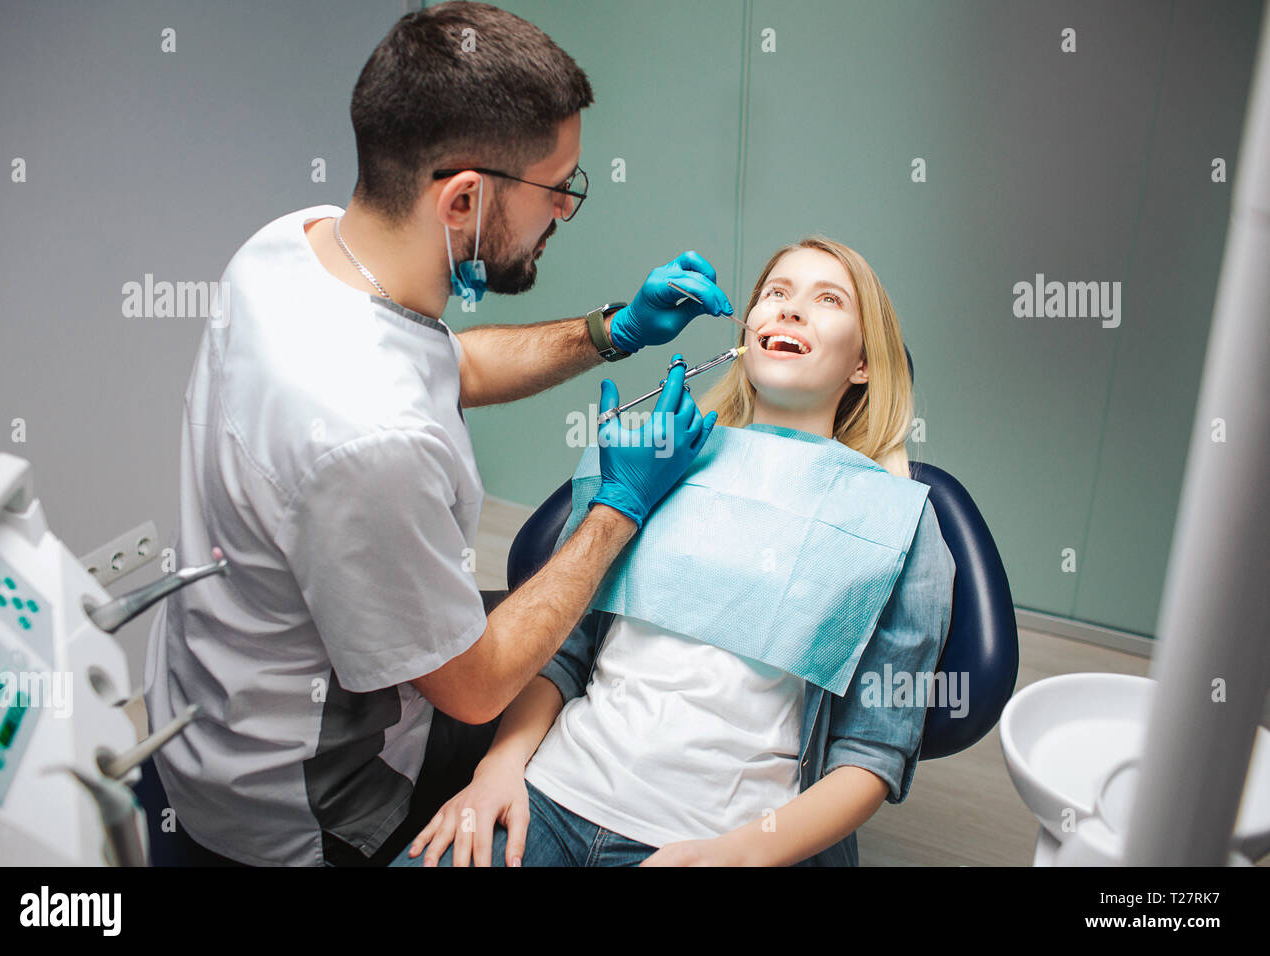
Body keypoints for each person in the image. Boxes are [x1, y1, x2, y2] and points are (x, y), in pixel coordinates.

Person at [143, 1, 732, 867]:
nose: (565, 212)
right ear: (464, 197)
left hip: (208, 699)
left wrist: (615, 330)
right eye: (557, 188)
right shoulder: (368, 437)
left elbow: (440, 364)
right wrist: (618, 508)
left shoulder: (295, 246)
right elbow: (477, 685)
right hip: (308, 794)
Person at [394, 236, 956, 867]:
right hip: (544, 800)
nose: (790, 310)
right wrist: (496, 770)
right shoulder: (655, 456)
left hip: (719, 840)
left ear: (863, 365)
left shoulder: (897, 522)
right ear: (747, 334)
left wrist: (736, 856)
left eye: (827, 300)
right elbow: (560, 654)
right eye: (775, 294)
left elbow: (871, 756)